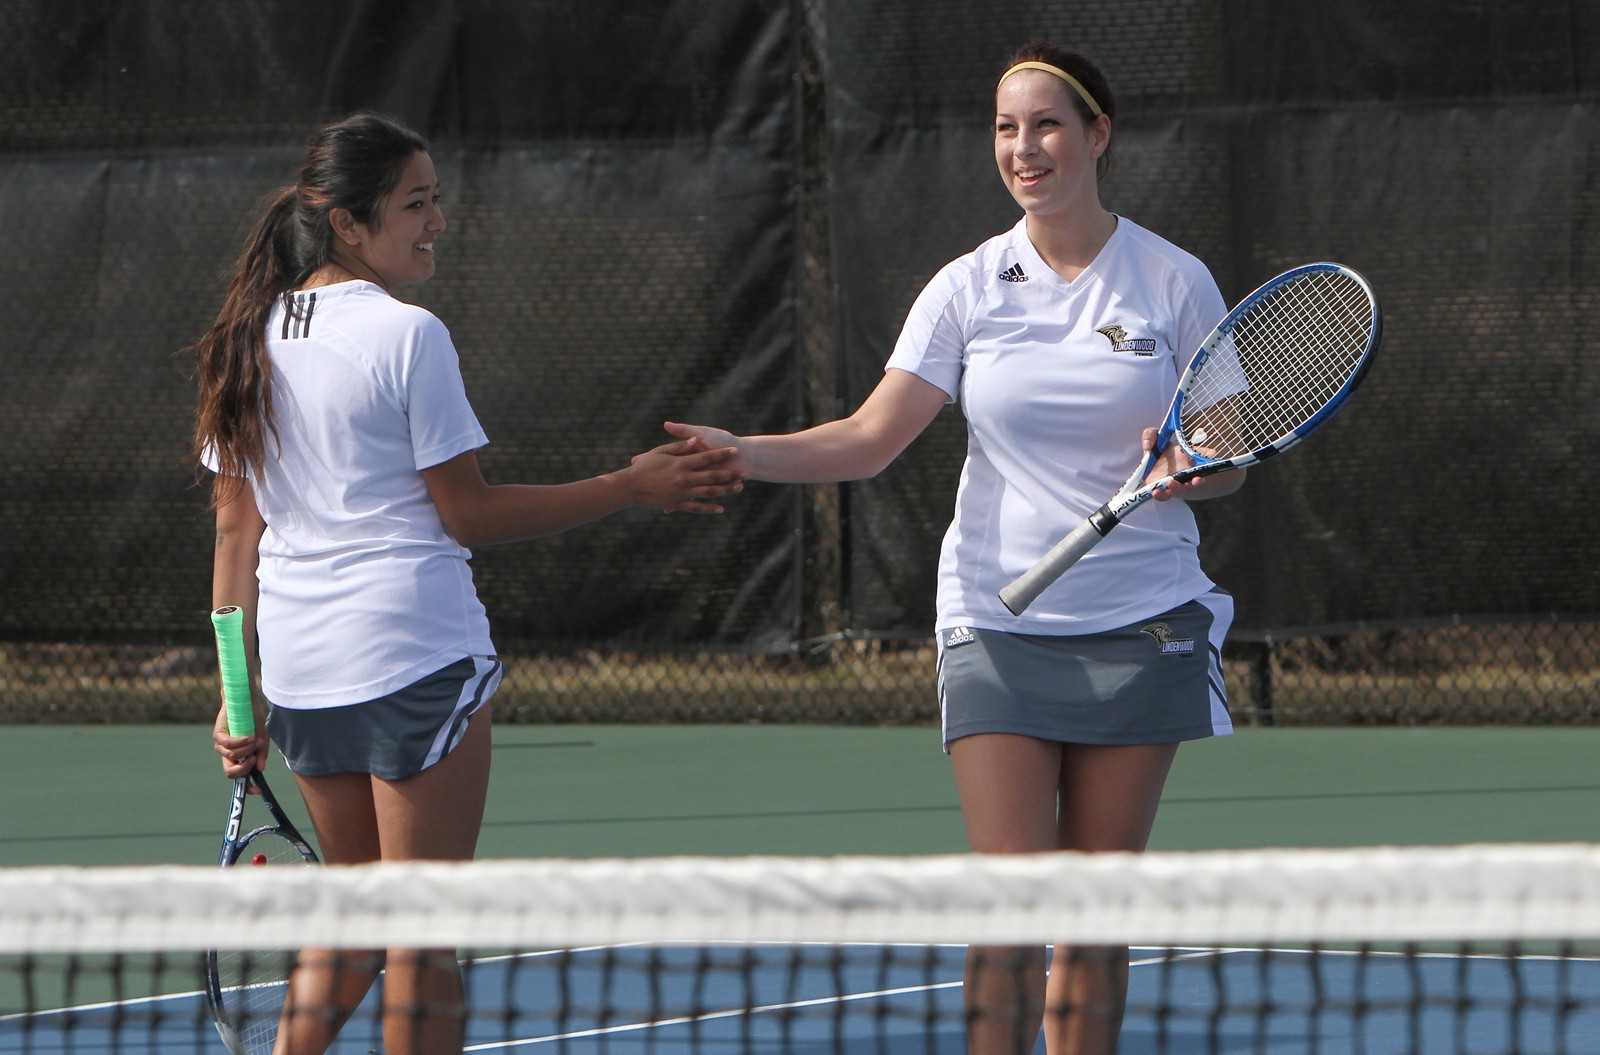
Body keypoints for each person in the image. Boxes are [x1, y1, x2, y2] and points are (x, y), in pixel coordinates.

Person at [666, 42, 1242, 1055]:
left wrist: (1200, 465)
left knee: (1094, 925)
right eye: (1006, 128)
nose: (1025, 147)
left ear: (1097, 134)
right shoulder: (968, 287)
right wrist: (742, 453)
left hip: (1142, 617)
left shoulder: (1174, 281)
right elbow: (868, 436)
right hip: (996, 617)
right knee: (1009, 916)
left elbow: (1235, 449)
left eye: (1047, 124)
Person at [190, 112, 745, 1055]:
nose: (437, 219)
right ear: (349, 225)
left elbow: (236, 534)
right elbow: (469, 513)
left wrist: (240, 699)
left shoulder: (246, 339)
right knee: (419, 938)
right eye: (416, 203)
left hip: (301, 674)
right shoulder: (411, 335)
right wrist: (629, 485)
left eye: (435, 197)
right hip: (412, 653)